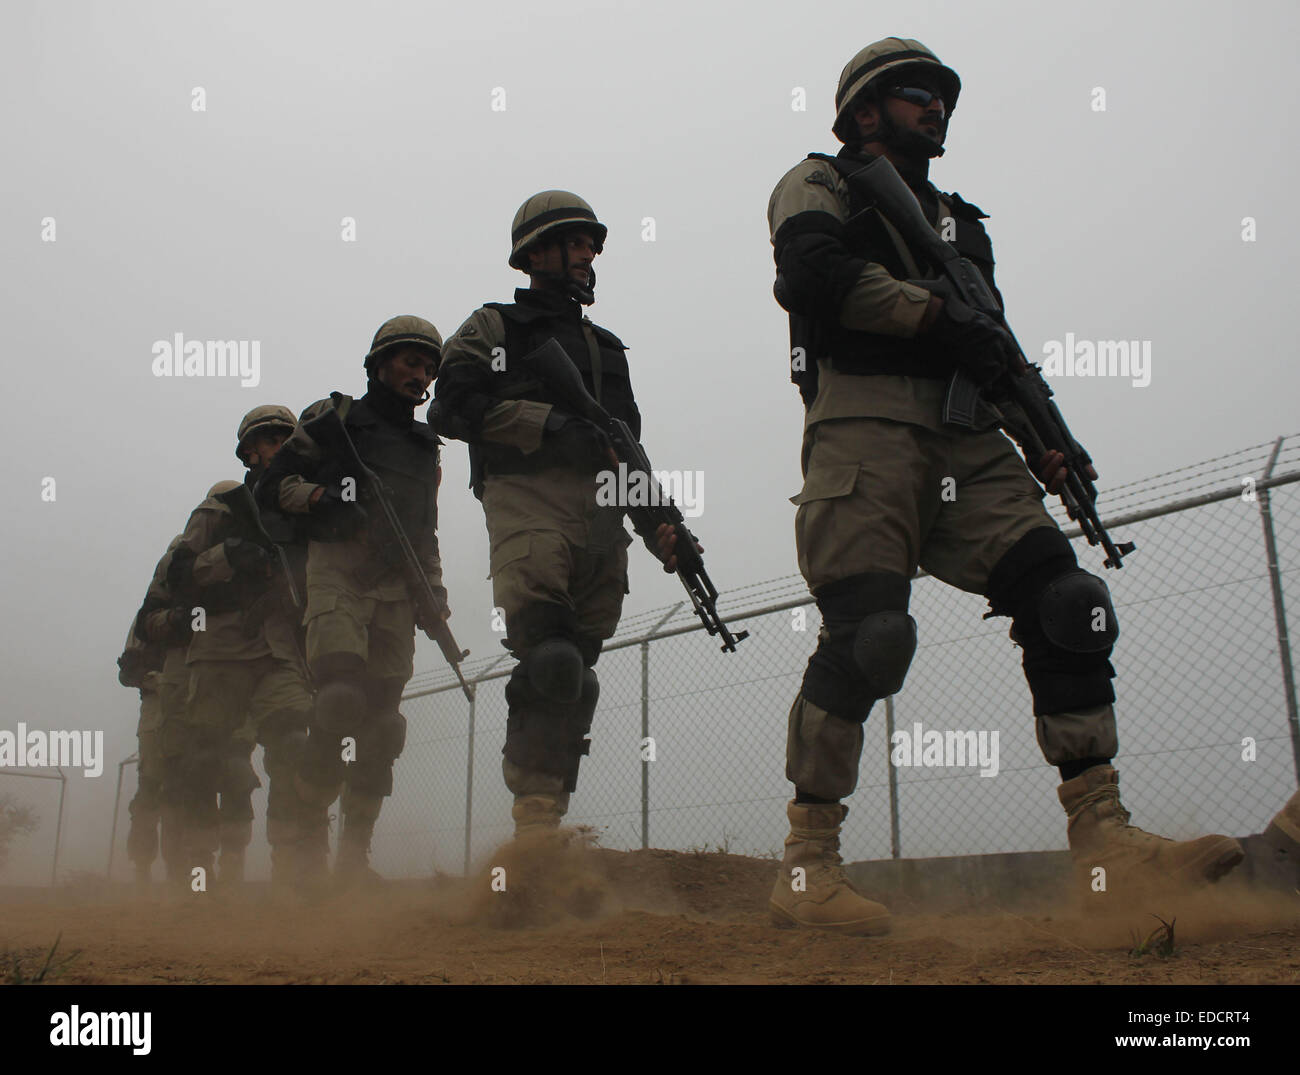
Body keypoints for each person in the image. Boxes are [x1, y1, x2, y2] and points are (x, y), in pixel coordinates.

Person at [765, 37, 1243, 934]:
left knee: (1069, 599)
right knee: (870, 634)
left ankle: (1104, 838)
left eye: (944, 97)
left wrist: (1044, 440)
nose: (936, 108)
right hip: (864, 430)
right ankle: (807, 867)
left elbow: (990, 342)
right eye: (915, 94)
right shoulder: (820, 181)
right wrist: (934, 315)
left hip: (969, 439)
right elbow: (813, 280)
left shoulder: (959, 222)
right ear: (865, 111)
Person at [433, 191, 679, 838]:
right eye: (575, 242)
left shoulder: (608, 350)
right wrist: (548, 422)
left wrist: (661, 526)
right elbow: (450, 408)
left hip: (600, 517)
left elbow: (624, 446)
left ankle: (549, 816)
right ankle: (534, 830)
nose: (589, 254)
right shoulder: (494, 328)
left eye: (592, 244)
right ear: (535, 252)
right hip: (528, 499)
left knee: (580, 677)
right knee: (552, 661)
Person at [258, 318, 446, 882]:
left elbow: (425, 531)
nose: (421, 375)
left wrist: (433, 595)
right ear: (380, 364)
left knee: (384, 727)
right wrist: (326, 497)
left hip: (395, 587)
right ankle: (304, 826)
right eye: (410, 362)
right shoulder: (334, 420)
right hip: (338, 571)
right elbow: (275, 487)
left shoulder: (422, 445)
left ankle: (353, 855)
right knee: (339, 700)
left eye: (429, 366)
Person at [164, 407, 318, 890]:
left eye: (285, 441)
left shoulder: (300, 511)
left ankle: (292, 865)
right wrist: (229, 557)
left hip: (279, 649)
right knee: (205, 758)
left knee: (294, 745)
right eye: (271, 442)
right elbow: (179, 577)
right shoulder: (221, 510)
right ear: (250, 452)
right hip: (221, 650)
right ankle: (198, 867)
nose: (278, 450)